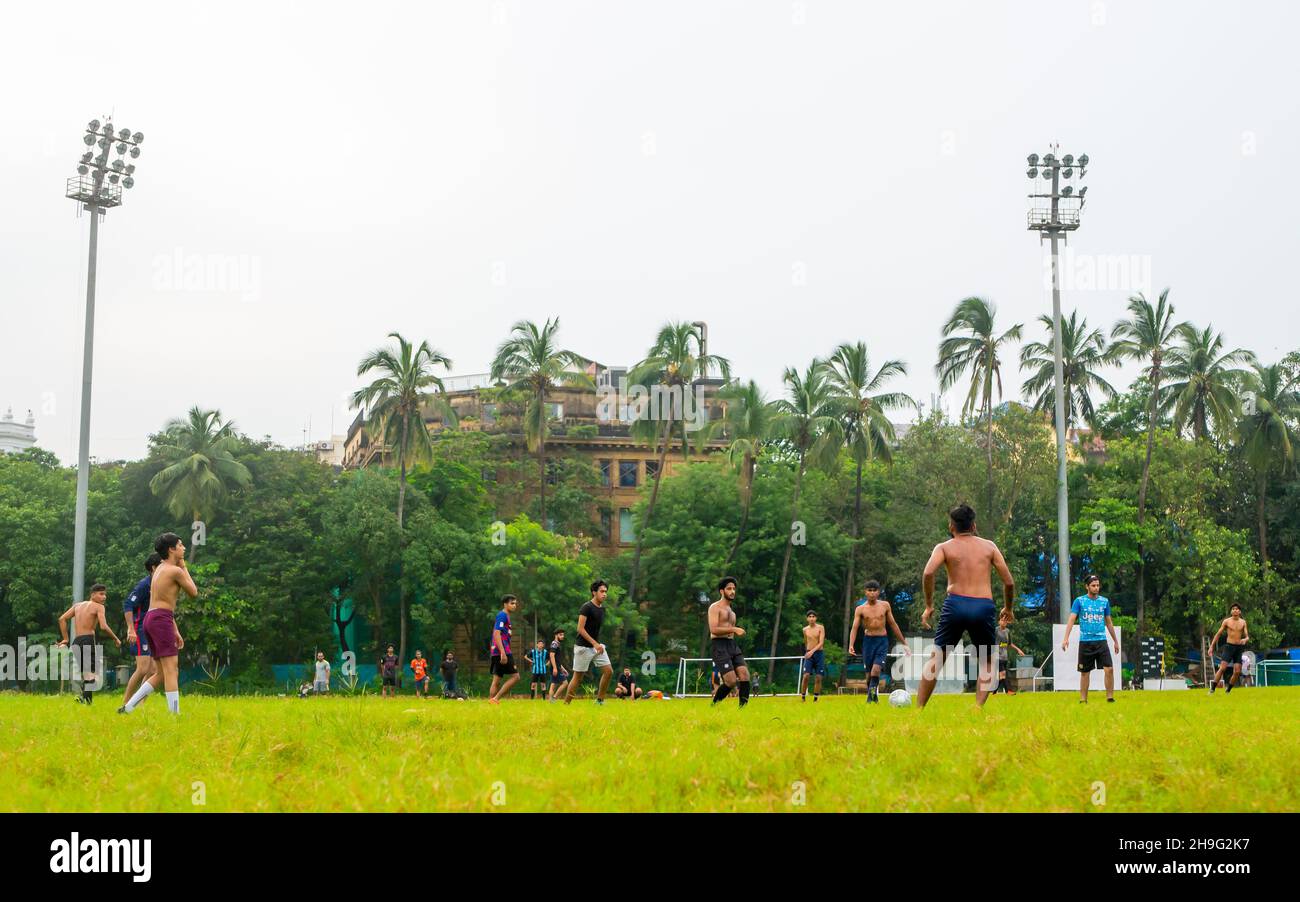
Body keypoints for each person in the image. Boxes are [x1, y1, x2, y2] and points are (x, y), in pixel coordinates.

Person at [918, 504, 1015, 709]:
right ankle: (977, 708)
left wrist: (929, 605)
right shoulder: (989, 547)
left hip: (955, 604)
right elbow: (1009, 582)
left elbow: (928, 573)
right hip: (983, 605)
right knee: (988, 661)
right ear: (974, 525)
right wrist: (1008, 608)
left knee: (937, 658)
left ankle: (918, 710)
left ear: (951, 526)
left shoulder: (944, 547)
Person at [121, 533, 196, 715]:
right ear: (171, 549)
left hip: (152, 619)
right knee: (172, 669)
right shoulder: (175, 570)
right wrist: (184, 565)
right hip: (161, 619)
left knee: (161, 672)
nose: (184, 548)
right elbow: (193, 592)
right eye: (180, 545)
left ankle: (129, 707)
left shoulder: (160, 569)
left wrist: (173, 629)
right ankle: (175, 715)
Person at [57, 583, 122, 704]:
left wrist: (65, 638)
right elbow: (103, 626)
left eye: (105, 594)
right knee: (90, 675)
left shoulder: (77, 606)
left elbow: (62, 619)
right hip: (88, 640)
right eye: (101, 594)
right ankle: (87, 703)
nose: (104, 597)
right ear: (93, 595)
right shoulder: (98, 607)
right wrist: (116, 638)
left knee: (83, 672)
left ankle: (81, 697)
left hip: (76, 641)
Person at [1061, 574, 1120, 704]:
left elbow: (1109, 622)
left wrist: (1115, 641)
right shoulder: (1079, 601)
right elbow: (1071, 620)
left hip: (1101, 640)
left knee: (1109, 669)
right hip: (1085, 641)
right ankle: (1083, 700)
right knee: (1084, 672)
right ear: (1087, 586)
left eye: (1098, 585)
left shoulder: (1104, 602)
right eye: (1093, 585)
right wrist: (1066, 638)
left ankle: (1110, 697)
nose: (1096, 588)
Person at [849, 580, 909, 703]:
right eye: (869, 590)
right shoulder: (860, 609)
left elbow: (893, 624)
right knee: (868, 675)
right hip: (868, 642)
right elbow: (854, 628)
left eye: (874, 590)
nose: (872, 593)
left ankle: (869, 699)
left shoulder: (885, 605)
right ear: (865, 592)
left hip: (882, 641)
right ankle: (874, 697)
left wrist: (904, 643)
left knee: (876, 670)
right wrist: (851, 645)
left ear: (878, 592)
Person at [120, 553, 161, 708]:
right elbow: (128, 605)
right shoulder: (144, 585)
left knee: (153, 669)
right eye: (161, 565)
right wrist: (131, 629)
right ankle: (125, 703)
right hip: (140, 629)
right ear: (153, 568)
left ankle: (140, 703)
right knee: (143, 668)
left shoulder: (159, 584)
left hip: (152, 629)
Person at [565, 580, 613, 705]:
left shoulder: (602, 609)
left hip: (596, 646)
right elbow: (580, 629)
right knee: (578, 677)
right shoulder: (586, 607)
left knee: (608, 671)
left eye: (606, 592)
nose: (604, 594)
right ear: (594, 592)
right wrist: (594, 643)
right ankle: (566, 704)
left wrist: (597, 644)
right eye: (602, 591)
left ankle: (600, 701)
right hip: (583, 647)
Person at [708, 576, 750, 707]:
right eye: (729, 588)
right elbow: (713, 629)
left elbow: (730, 632)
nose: (732, 591)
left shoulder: (732, 612)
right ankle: (714, 705)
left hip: (732, 645)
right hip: (719, 645)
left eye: (734, 589)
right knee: (731, 681)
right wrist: (734, 629)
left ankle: (743, 709)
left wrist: (733, 631)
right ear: (722, 591)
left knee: (745, 675)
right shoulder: (715, 607)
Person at [1209, 604, 1250, 694]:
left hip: (1238, 648)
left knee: (1237, 671)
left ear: (1240, 612)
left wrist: (1245, 639)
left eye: (1237, 609)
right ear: (1231, 611)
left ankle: (1228, 690)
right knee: (1222, 668)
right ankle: (1212, 689)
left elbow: (1247, 637)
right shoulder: (1226, 621)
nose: (1235, 610)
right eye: (1233, 609)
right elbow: (1218, 634)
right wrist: (1211, 646)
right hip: (1229, 647)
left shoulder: (1243, 622)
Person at [488, 595, 521, 704]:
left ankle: (491, 702)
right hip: (502, 651)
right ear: (505, 604)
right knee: (516, 677)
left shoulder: (506, 616)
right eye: (512, 603)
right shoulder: (502, 615)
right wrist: (502, 652)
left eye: (515, 603)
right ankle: (496, 699)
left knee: (496, 680)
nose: (514, 605)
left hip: (498, 651)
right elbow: (497, 633)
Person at [995, 611, 1026, 694]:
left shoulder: (1007, 631)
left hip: (1005, 657)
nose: (1004, 622)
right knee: (1003, 674)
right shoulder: (996, 630)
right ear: (999, 621)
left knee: (1001, 676)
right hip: (997, 656)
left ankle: (993, 692)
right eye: (1002, 620)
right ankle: (1009, 690)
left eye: (1005, 621)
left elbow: (1010, 644)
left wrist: (1018, 650)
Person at [799, 610, 826, 702]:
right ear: (807, 619)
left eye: (813, 616)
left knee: (818, 677)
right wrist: (808, 652)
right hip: (809, 654)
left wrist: (813, 651)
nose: (811, 618)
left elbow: (821, 642)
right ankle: (803, 696)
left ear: (816, 618)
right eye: (810, 617)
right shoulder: (805, 629)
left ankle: (815, 698)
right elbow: (806, 642)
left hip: (819, 654)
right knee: (806, 675)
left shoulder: (820, 628)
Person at [547, 629, 568, 701]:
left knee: (553, 684)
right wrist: (555, 668)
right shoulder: (554, 644)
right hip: (555, 668)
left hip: (557, 667)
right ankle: (554, 698)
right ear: (556, 635)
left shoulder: (557, 644)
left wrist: (563, 668)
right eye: (561, 635)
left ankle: (551, 700)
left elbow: (557, 659)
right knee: (565, 683)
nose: (563, 636)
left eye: (563, 635)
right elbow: (551, 656)